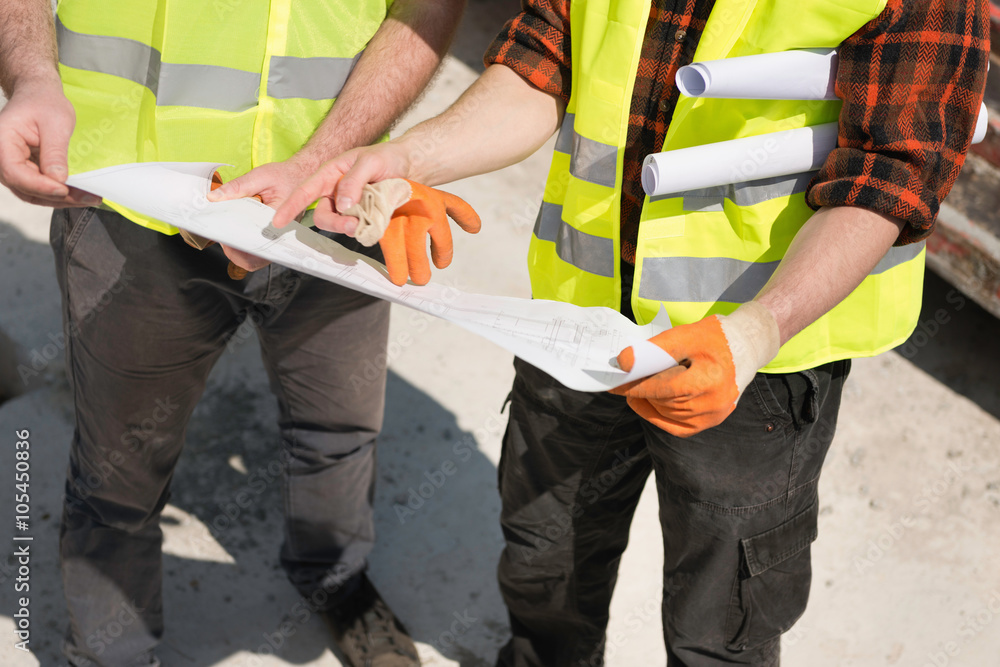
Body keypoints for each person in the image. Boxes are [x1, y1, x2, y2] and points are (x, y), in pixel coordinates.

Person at [269, 0, 989, 664]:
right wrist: (411, 158)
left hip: (750, 367)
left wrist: (757, 331)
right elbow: (546, 55)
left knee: (722, 618)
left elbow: (892, 170)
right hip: (580, 323)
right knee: (543, 561)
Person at [0, 1, 467, 665]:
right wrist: (31, 77)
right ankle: (110, 655)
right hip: (135, 200)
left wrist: (326, 158)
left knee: (337, 430)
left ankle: (334, 579)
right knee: (117, 477)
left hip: (338, 201)